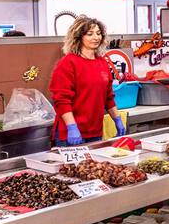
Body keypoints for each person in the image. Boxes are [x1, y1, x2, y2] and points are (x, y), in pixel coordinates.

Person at [49, 17, 127, 146]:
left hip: (95, 132)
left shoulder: (102, 62)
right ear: (78, 37)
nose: (95, 37)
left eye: (98, 33)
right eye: (89, 34)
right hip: (70, 133)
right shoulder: (68, 63)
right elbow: (61, 100)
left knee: (93, 166)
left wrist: (117, 119)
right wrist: (72, 127)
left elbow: (108, 96)